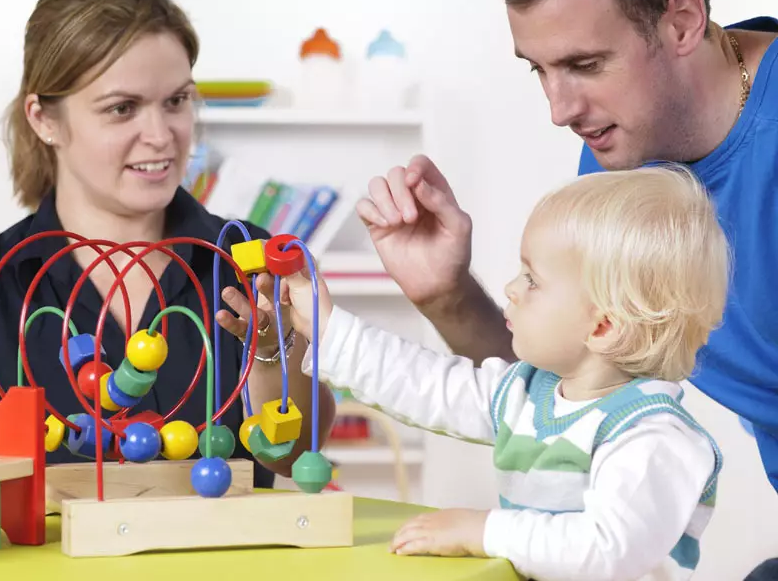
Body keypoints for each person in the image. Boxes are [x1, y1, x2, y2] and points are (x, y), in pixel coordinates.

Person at [357, 0, 778, 497]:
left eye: (586, 65)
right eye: (539, 68)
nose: (559, 110)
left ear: (684, 20)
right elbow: (567, 390)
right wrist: (447, 296)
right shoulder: (626, 154)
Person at [280, 165, 728, 580]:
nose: (511, 289)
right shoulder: (527, 393)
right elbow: (425, 386)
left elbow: (606, 550)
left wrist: (483, 530)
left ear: (603, 325)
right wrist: (327, 328)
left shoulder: (654, 438)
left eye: (532, 280)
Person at [0, 0, 335, 486]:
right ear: (44, 120)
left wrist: (271, 352)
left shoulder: (254, 264)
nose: (162, 135)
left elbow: (294, 457)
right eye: (122, 108)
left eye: (176, 101)